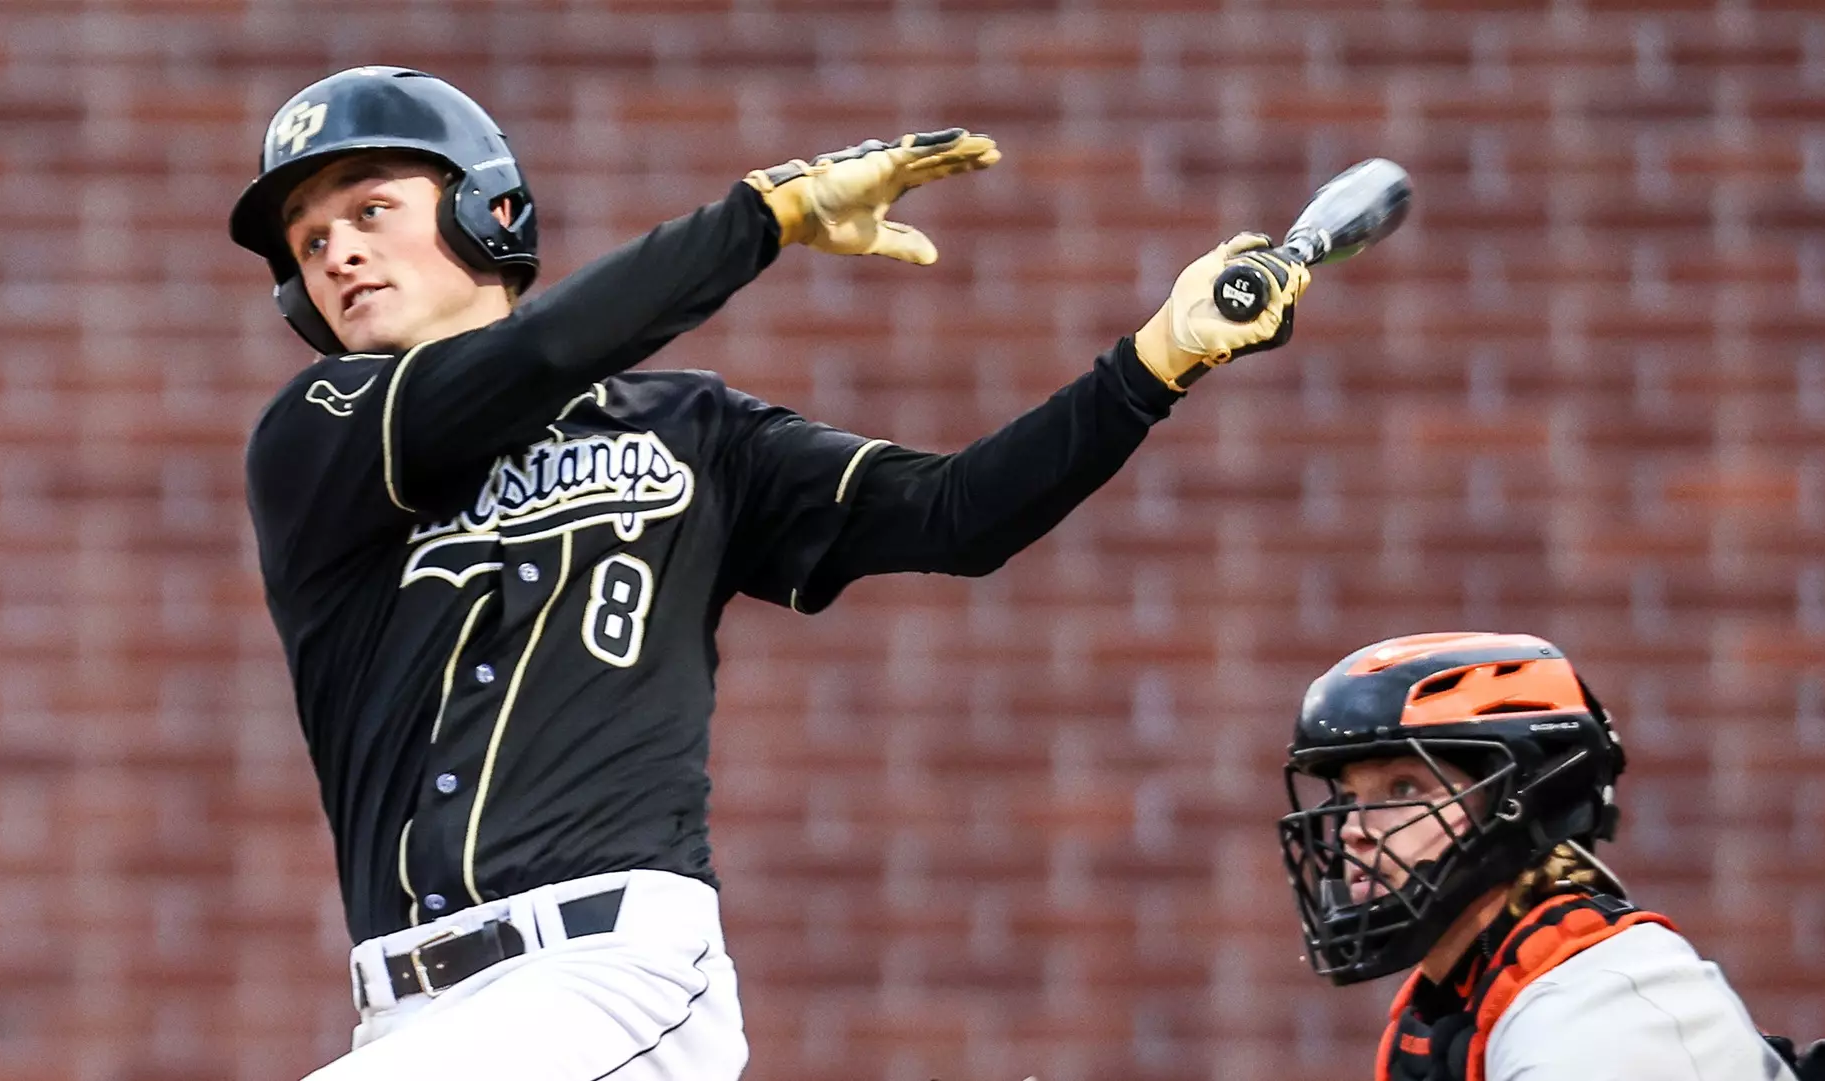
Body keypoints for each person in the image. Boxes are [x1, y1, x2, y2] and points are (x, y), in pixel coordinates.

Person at [228, 66, 1312, 1080]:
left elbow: (957, 513)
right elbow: (542, 357)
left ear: (488, 212)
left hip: (609, 976)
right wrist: (767, 215)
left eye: (370, 210)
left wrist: (1154, 362)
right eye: (309, 239)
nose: (336, 253)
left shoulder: (693, 431)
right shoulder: (320, 435)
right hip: (410, 1012)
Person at [1277, 631, 1806, 1081]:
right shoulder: (1455, 998)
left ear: (1522, 799)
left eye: (1402, 788)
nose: (1354, 832)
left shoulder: (1600, 1012)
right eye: (1349, 798)